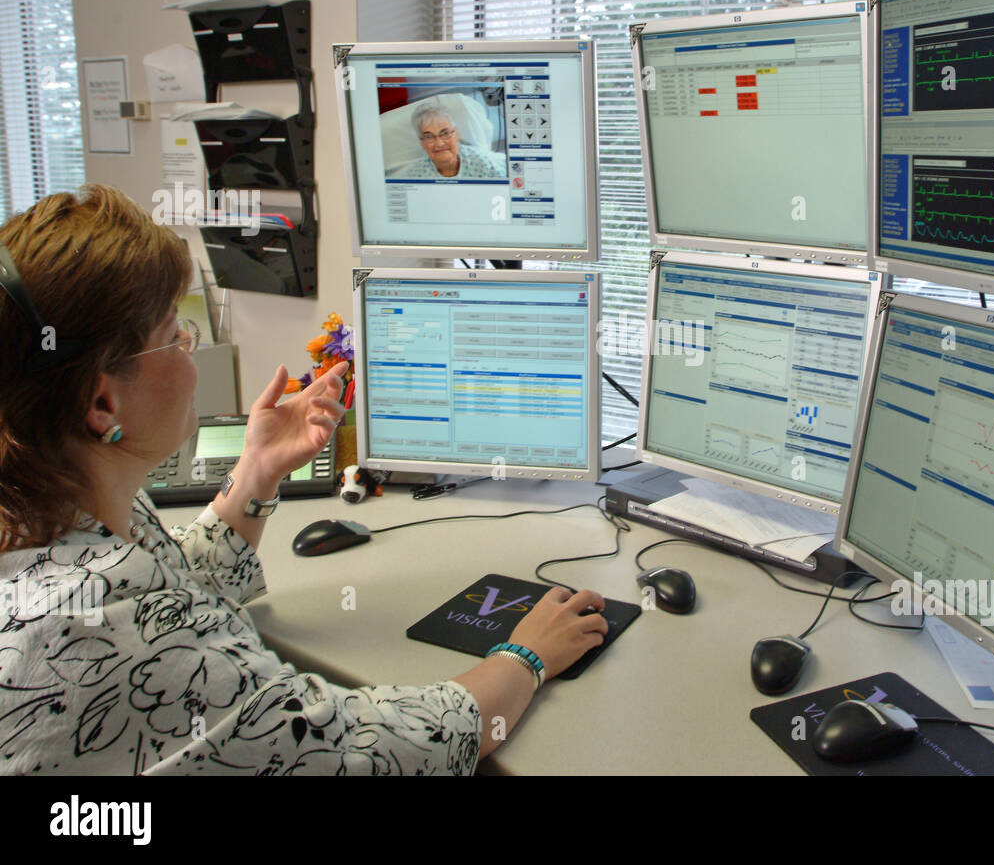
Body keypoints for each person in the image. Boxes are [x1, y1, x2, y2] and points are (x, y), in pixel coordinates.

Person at [0, 185, 606, 775]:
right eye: (173, 337)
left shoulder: (49, 512)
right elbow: (378, 750)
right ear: (102, 404)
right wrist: (525, 656)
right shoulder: (104, 632)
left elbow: (177, 588)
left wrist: (258, 470)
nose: (190, 352)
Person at [396, 100, 506, 180]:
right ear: (422, 142)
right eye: (429, 137)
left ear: (456, 134)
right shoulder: (416, 175)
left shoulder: (480, 162)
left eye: (445, 133)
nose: (439, 143)